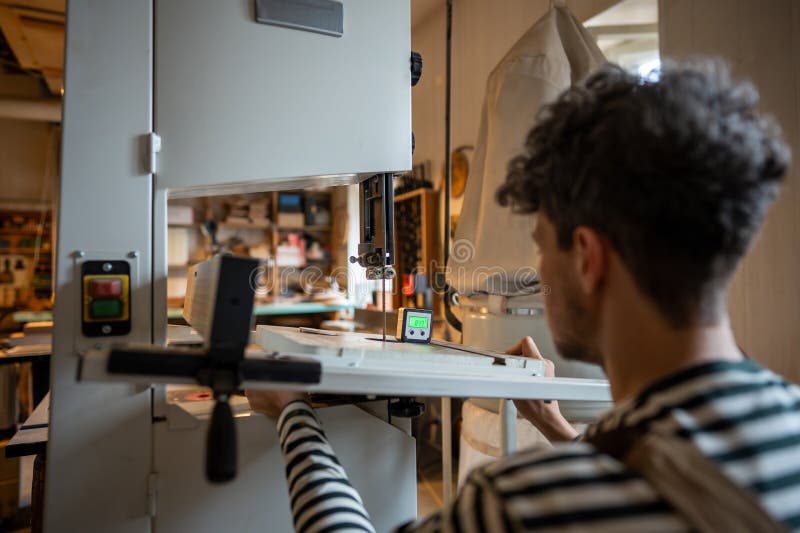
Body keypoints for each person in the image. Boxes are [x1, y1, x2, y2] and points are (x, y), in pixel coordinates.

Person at [246, 60, 800, 532]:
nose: (538, 270)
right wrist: (556, 427)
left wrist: (294, 415)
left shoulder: (518, 504)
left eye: (540, 248)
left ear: (587, 257)